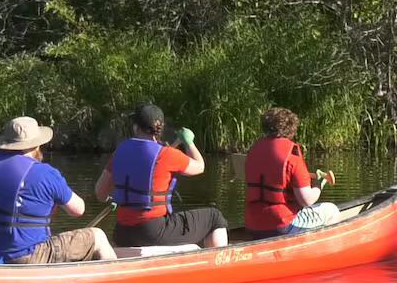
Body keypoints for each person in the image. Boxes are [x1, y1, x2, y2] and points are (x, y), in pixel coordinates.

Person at [0, 116, 117, 264]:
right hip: (30, 256)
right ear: (36, 146)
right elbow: (78, 210)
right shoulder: (46, 173)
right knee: (98, 236)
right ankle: (116, 282)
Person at [94, 104, 228, 248]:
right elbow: (200, 166)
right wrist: (189, 143)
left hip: (121, 233)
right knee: (214, 217)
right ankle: (216, 261)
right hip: (153, 232)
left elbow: (100, 194)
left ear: (136, 127)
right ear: (160, 129)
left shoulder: (119, 152)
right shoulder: (167, 154)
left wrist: (115, 199)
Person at [244, 107, 340, 238]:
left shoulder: (253, 151)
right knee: (332, 210)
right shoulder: (292, 155)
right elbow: (306, 200)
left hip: (252, 224)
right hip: (281, 225)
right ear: (291, 129)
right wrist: (318, 184)